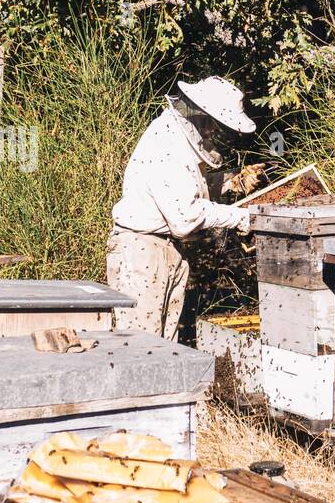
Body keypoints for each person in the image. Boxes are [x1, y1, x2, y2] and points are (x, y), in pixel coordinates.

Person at [108, 75, 256, 338]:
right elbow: (184, 217)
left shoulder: (178, 138)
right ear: (205, 116)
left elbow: (188, 187)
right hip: (142, 251)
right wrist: (239, 218)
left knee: (165, 344)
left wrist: (234, 182)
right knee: (141, 346)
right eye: (219, 125)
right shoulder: (167, 142)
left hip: (166, 250)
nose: (218, 133)